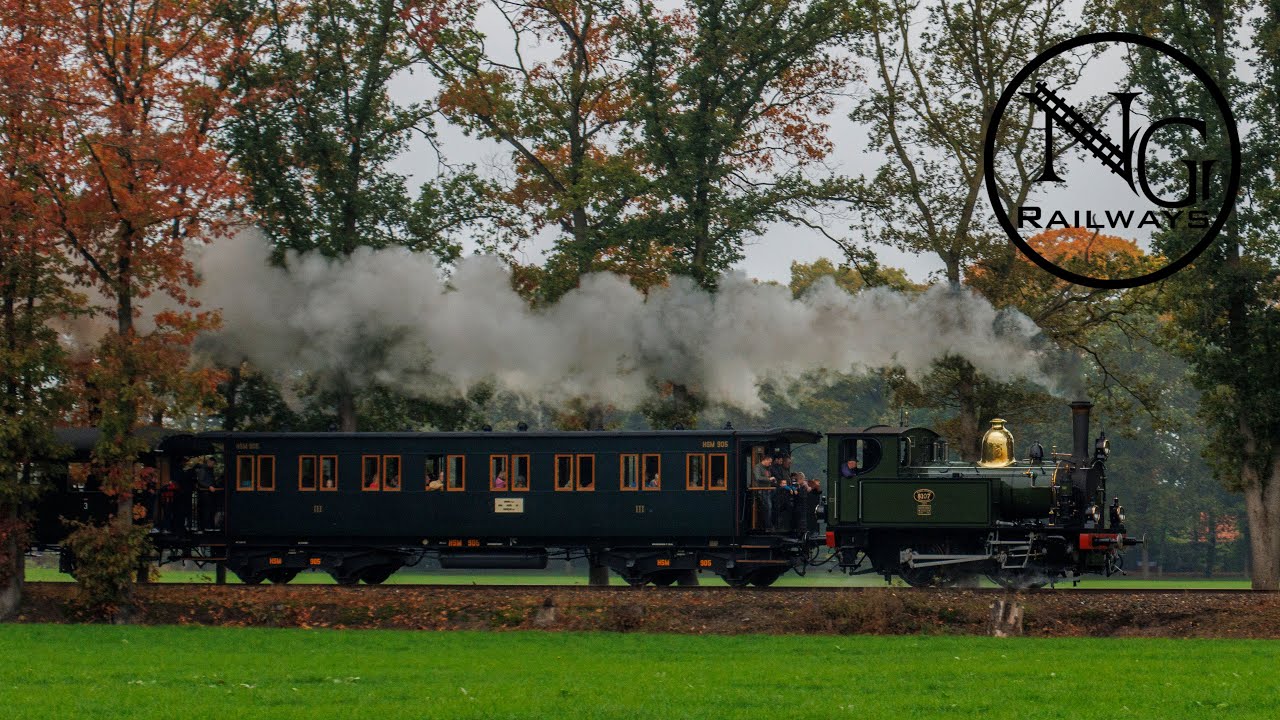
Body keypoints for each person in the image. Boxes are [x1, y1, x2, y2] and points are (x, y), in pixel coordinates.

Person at [752, 455, 775, 531]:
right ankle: (768, 526)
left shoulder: (767, 468)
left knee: (769, 507)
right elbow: (758, 478)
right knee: (768, 507)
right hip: (761, 491)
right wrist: (769, 479)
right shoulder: (757, 467)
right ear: (765, 460)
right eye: (769, 462)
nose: (770, 464)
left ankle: (769, 525)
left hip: (768, 490)